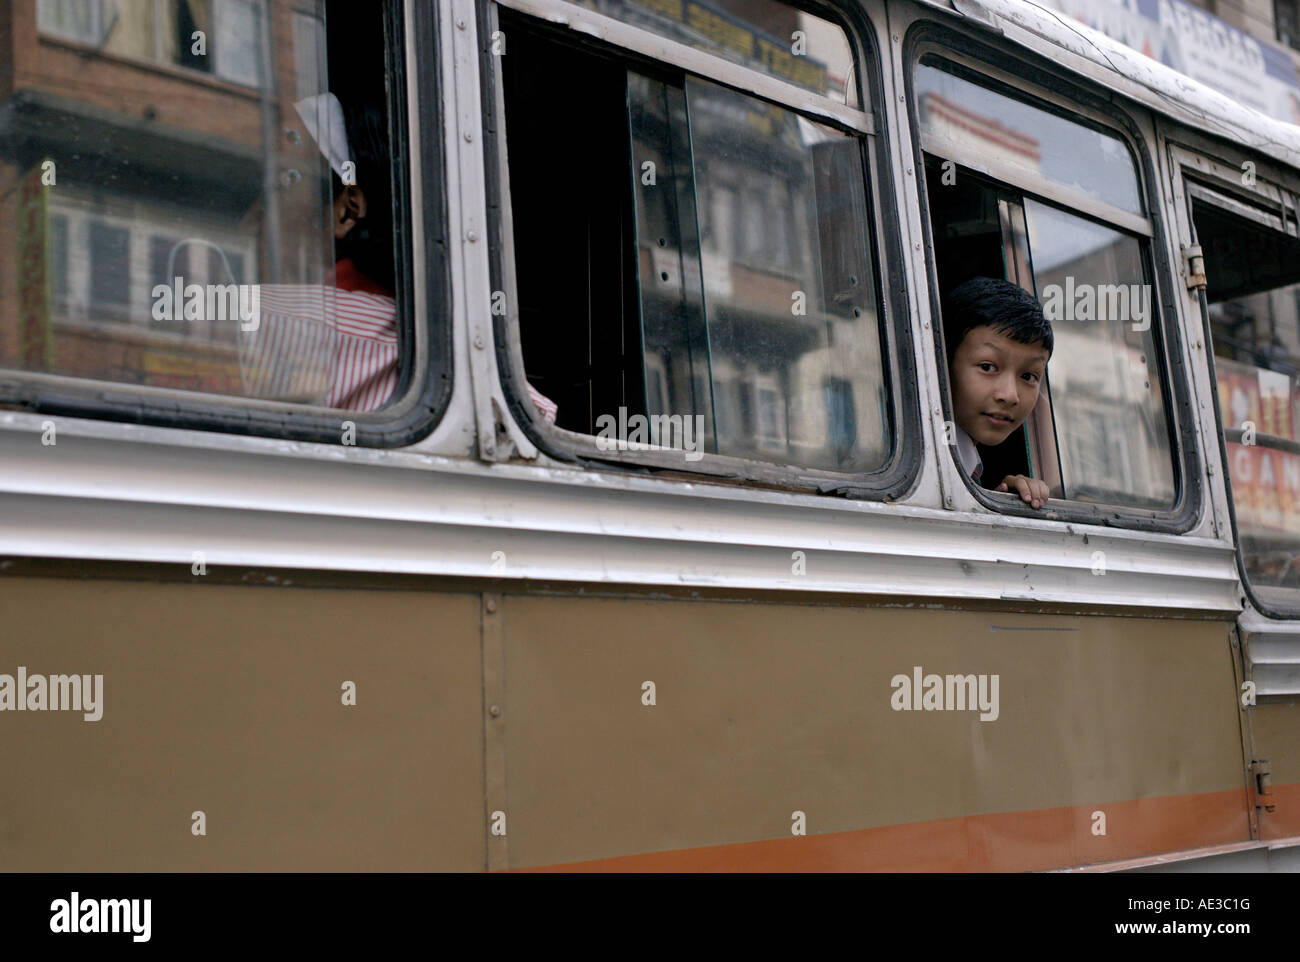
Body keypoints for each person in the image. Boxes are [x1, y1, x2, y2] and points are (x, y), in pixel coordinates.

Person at [942, 277, 1053, 509]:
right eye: (987, 367)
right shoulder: (933, 457)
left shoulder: (965, 463)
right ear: (943, 362)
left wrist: (1009, 500)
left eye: (1028, 376)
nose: (1010, 395)